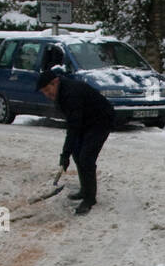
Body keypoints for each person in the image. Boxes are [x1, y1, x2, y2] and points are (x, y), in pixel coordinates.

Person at [38, 66, 115, 215]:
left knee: (86, 157)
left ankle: (89, 199)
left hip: (101, 121)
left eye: (48, 90)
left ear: (55, 82)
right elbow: (74, 124)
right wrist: (68, 154)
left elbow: (73, 127)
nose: (47, 95)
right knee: (77, 152)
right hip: (86, 121)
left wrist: (64, 155)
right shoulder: (61, 93)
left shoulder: (70, 93)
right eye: (44, 93)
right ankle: (84, 190)